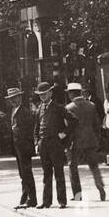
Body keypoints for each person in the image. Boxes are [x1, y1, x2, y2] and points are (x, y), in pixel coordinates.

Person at [34, 81, 73, 209]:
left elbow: (74, 120)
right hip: (43, 144)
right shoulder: (39, 108)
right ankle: (46, 201)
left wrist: (64, 133)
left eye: (45, 94)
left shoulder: (58, 107)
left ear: (50, 93)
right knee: (46, 174)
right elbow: (36, 127)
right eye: (40, 95)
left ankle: (62, 201)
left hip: (55, 144)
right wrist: (37, 142)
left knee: (58, 173)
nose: (43, 96)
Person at [65, 82, 107, 202]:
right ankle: (100, 187)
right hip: (90, 141)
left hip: (75, 143)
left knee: (73, 168)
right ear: (80, 92)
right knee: (94, 166)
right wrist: (96, 139)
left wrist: (67, 143)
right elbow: (96, 124)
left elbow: (68, 128)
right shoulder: (91, 105)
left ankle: (77, 195)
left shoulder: (69, 108)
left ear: (71, 94)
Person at [7, 86, 37, 209]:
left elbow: (28, 129)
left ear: (20, 97)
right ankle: (25, 197)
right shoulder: (14, 110)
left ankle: (31, 199)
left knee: (26, 173)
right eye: (11, 99)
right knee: (23, 174)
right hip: (18, 146)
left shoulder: (24, 111)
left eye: (15, 98)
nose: (13, 100)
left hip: (24, 146)